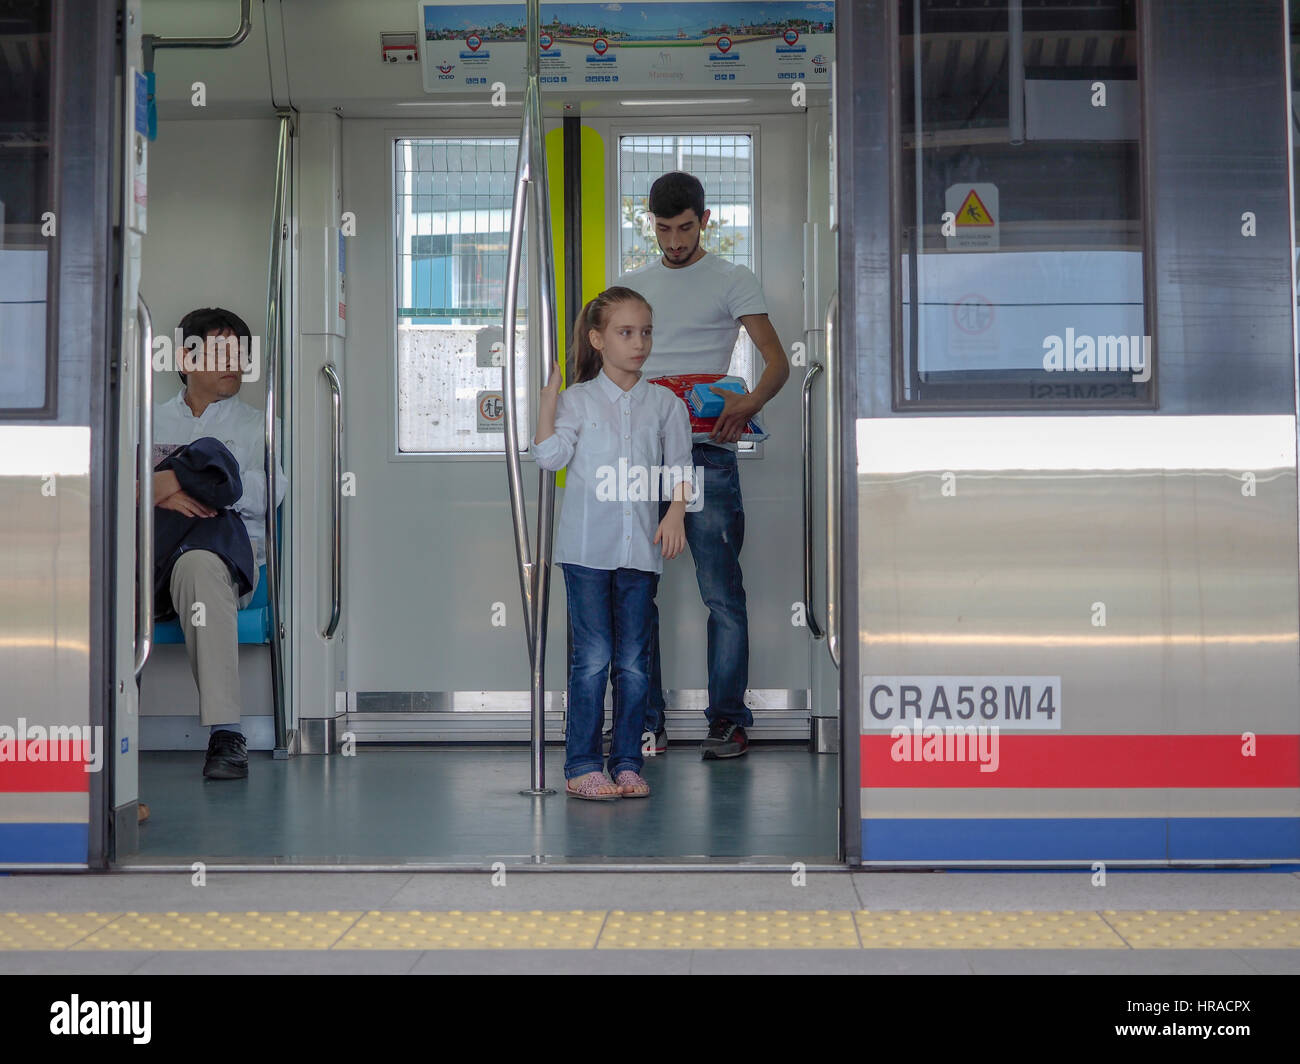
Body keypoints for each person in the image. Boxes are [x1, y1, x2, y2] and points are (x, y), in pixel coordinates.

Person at [619, 171, 790, 759]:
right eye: (663, 229)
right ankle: (646, 723)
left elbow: (777, 363)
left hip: (705, 452)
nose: (673, 241)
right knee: (638, 587)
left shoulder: (732, 279)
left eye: (684, 228)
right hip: (642, 452)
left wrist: (748, 404)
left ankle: (727, 722)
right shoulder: (632, 286)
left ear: (705, 220)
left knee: (721, 592)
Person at [531, 287, 693, 799]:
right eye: (626, 332)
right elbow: (549, 458)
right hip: (585, 552)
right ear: (598, 340)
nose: (639, 342)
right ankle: (581, 765)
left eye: (645, 331)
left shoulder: (665, 404)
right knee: (594, 656)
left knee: (634, 661)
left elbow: (682, 469)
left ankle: (626, 762)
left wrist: (676, 514)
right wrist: (547, 401)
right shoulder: (577, 401)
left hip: (641, 552)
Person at [152, 307, 287, 780]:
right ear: (186, 359)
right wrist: (157, 489)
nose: (237, 363)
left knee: (201, 565)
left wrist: (181, 485)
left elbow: (271, 491)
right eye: (223, 351)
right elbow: (116, 490)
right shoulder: (147, 420)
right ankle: (102, 727)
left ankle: (226, 732)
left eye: (241, 353)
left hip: (225, 563)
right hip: (152, 561)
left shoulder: (256, 425)